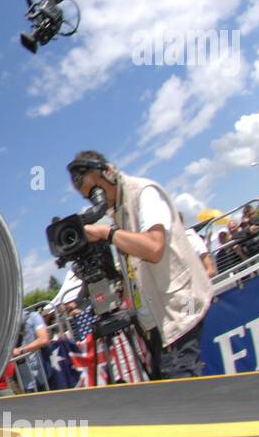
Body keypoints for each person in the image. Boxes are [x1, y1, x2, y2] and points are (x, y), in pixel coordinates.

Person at [67, 151, 213, 379]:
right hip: (153, 324)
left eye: (96, 192)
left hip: (177, 314)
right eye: (89, 198)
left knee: (183, 396)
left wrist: (107, 233)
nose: (97, 201)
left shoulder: (144, 193)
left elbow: (154, 248)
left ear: (108, 173)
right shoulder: (119, 211)